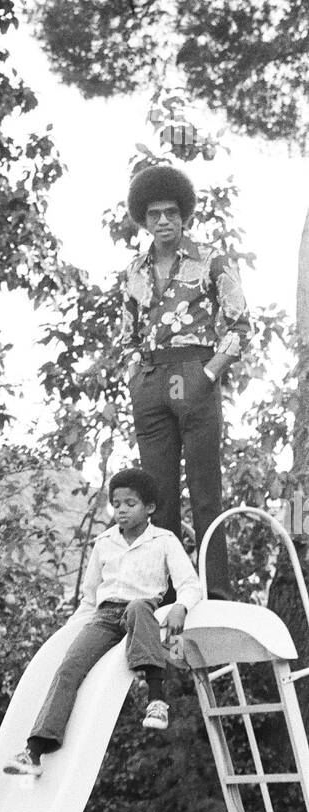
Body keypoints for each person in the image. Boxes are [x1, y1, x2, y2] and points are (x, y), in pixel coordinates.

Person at [4, 467, 202, 778]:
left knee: (138, 607)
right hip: (106, 614)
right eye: (117, 503)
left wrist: (181, 607)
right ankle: (36, 749)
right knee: (69, 668)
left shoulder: (164, 540)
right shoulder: (105, 542)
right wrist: (72, 631)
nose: (121, 510)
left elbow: (190, 584)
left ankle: (156, 698)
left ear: (149, 508)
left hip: (144, 610)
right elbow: (89, 596)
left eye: (130, 503)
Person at [120, 162, 251, 599]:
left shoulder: (210, 260)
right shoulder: (135, 271)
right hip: (153, 383)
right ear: (143, 218)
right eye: (154, 214)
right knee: (159, 499)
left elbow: (240, 325)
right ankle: (171, 594)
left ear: (184, 215)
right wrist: (136, 378)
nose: (163, 221)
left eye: (171, 213)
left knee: (205, 491)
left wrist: (208, 372)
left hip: (194, 375)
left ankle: (215, 594)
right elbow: (128, 337)